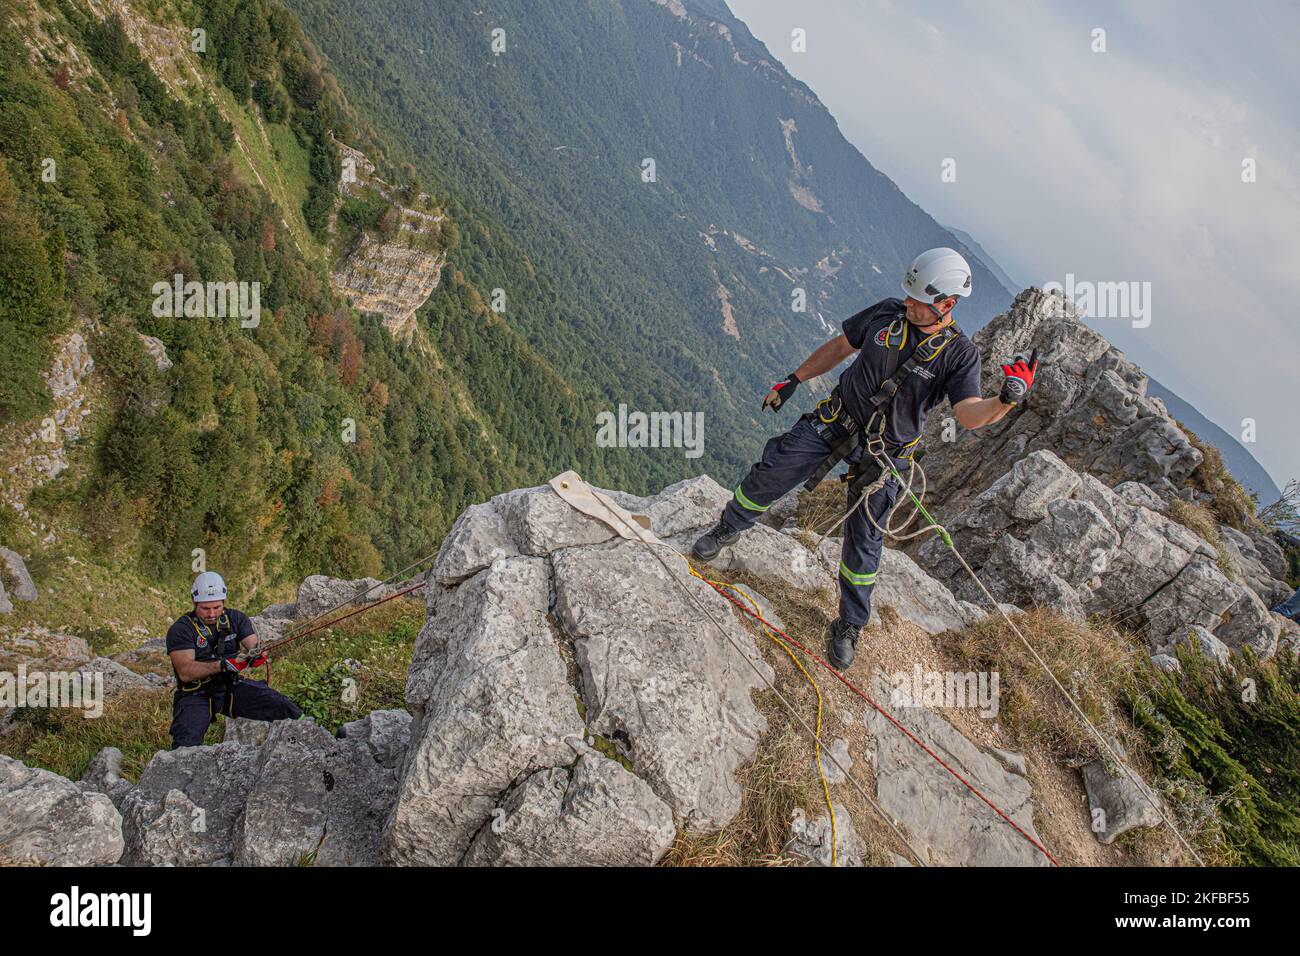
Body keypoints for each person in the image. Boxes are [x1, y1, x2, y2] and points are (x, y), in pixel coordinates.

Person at [692, 248, 1040, 669]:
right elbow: (841, 346)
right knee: (773, 470)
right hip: (838, 420)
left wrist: (1005, 401)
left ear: (947, 304)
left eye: (919, 301)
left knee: (865, 543)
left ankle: (850, 623)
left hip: (886, 455)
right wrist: (793, 380)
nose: (908, 303)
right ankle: (729, 526)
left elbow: (967, 414)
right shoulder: (887, 314)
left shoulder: (959, 354)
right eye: (908, 296)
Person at [165, 571, 302, 748]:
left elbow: (253, 644)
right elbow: (185, 671)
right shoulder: (181, 629)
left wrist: (257, 654)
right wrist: (223, 665)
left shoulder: (236, 619)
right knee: (186, 743)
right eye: (205, 608)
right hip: (195, 693)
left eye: (217, 607)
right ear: (194, 602)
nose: (212, 614)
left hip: (230, 686)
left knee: (282, 705)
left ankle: (312, 734)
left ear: (224, 602)